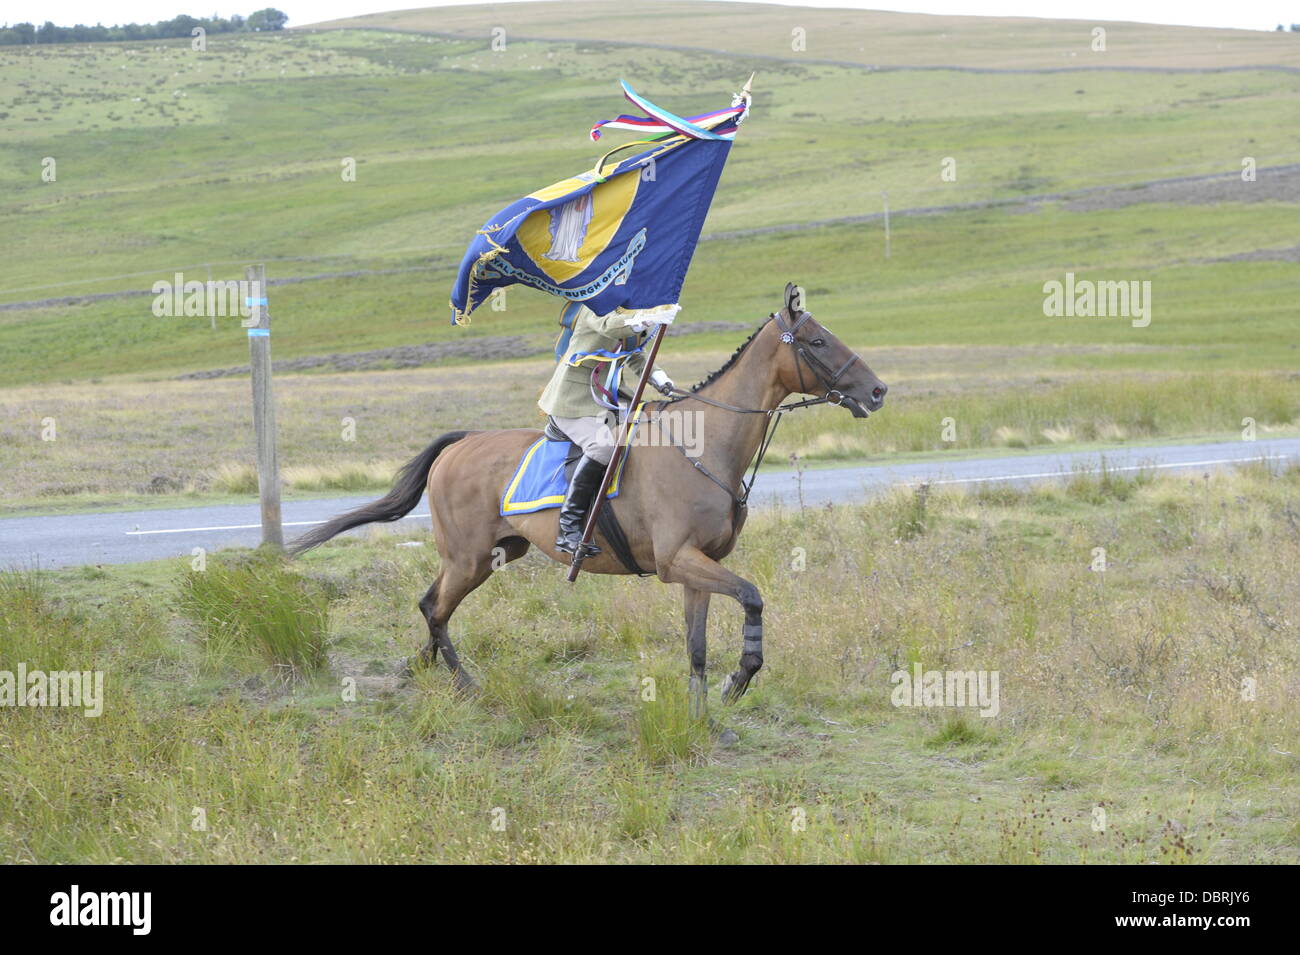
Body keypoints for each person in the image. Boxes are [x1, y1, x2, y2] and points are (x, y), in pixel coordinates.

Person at [538, 304, 677, 555]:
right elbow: (610, 326)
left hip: (609, 399)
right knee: (602, 446)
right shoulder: (595, 303)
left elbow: (633, 353)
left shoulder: (631, 309)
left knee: (655, 429)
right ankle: (567, 529)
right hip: (573, 402)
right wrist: (645, 319)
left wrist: (658, 377)